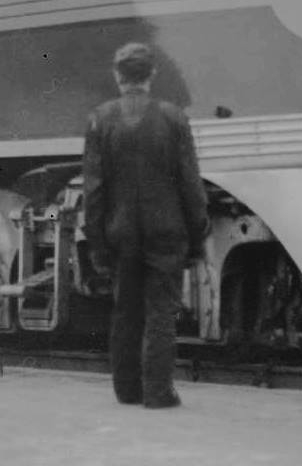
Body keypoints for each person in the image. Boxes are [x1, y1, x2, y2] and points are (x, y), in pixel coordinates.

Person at [82, 42, 209, 409]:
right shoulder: (173, 118)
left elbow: (94, 191)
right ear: (152, 75)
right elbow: (190, 184)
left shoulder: (99, 119)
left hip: (120, 233)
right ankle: (157, 392)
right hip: (166, 231)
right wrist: (198, 233)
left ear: (117, 75)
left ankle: (126, 390)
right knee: (160, 313)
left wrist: (97, 244)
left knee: (125, 310)